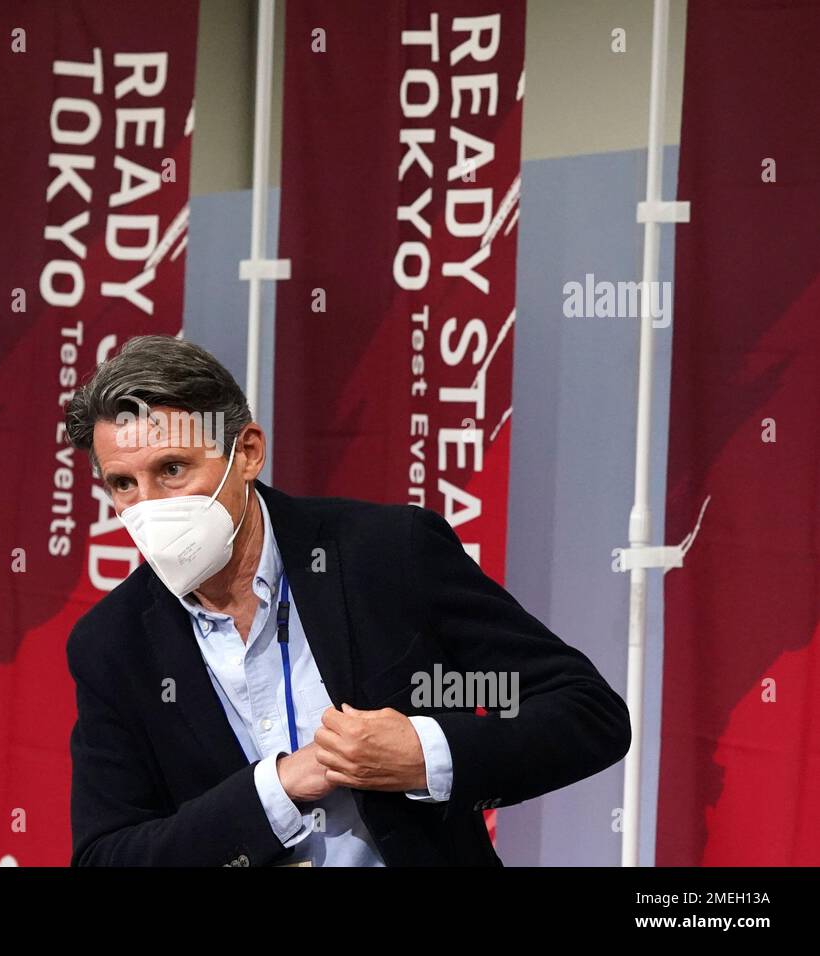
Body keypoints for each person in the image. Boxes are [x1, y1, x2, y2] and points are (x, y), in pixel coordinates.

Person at [63, 334, 630, 866]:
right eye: (123, 484)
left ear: (248, 452)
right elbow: (107, 854)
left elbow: (586, 712)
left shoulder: (386, 555)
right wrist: (276, 791)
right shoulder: (113, 644)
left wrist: (425, 753)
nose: (149, 506)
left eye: (172, 469)